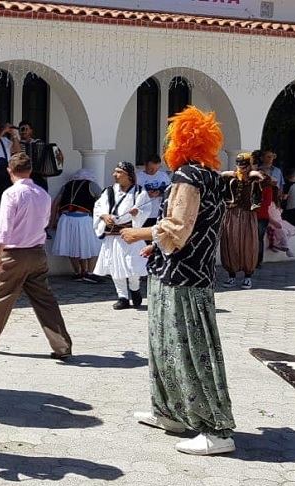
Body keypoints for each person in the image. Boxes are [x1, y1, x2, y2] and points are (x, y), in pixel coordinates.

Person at [121, 106, 235, 456]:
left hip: (181, 278)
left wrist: (138, 233)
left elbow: (178, 228)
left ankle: (216, 430)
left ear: (180, 142)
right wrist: (155, 245)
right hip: (188, 273)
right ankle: (171, 412)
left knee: (188, 350)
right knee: (166, 347)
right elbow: (198, 225)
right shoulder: (213, 177)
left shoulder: (187, 176)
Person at [0, 152, 73, 359]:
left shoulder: (11, 193)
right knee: (45, 300)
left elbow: (4, 226)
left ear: (10, 171)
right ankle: (62, 345)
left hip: (14, 253)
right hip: (36, 252)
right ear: (30, 170)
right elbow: (45, 220)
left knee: (1, 299)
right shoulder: (43, 193)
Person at [93, 162, 151, 310]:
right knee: (115, 267)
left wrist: (137, 213)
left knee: (132, 265)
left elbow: (145, 209)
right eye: (115, 171)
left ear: (129, 176)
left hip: (130, 235)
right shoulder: (108, 192)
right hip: (112, 236)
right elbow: (98, 207)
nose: (115, 175)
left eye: (119, 172)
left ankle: (135, 289)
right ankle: (122, 297)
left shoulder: (139, 192)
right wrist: (104, 216)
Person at [219, 153, 264, 289]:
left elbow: (268, 180)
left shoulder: (254, 177)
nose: (241, 168)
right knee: (230, 243)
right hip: (232, 213)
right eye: (239, 165)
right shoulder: (232, 176)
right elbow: (220, 178)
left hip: (248, 214)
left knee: (248, 244)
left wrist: (254, 174)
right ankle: (231, 275)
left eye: (244, 165)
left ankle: (248, 276)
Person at [49, 168, 102, 283]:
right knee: (92, 245)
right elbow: (103, 201)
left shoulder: (66, 186)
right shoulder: (91, 185)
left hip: (65, 219)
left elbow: (55, 203)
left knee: (72, 246)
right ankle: (89, 272)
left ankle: (78, 272)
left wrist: (52, 220)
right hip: (83, 219)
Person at [136, 154, 170, 227]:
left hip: (160, 213)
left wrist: (160, 193)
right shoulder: (138, 177)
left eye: (156, 169)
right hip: (144, 214)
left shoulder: (163, 176)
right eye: (151, 168)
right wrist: (146, 195)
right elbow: (133, 194)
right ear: (145, 165)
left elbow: (170, 190)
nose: (153, 171)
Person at [17, 120, 48, 191]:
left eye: (26, 129)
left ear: (31, 131)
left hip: (39, 175)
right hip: (23, 175)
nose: (24, 131)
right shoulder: (17, 144)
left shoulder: (39, 143)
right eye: (22, 129)